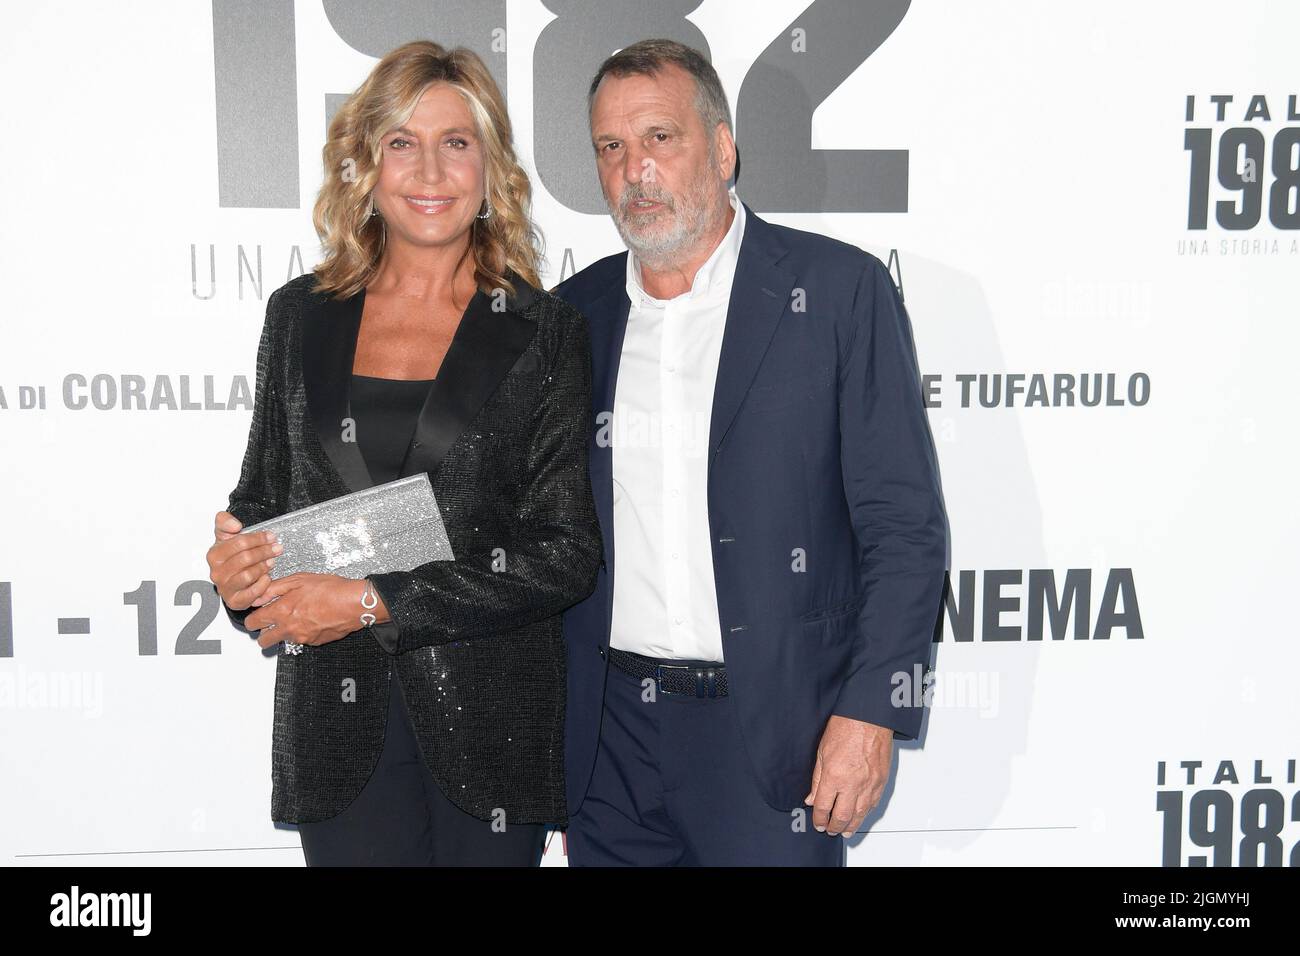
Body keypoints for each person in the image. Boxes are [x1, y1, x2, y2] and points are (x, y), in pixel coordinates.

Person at [204, 41, 601, 866]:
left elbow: (563, 556)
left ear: (490, 171)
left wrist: (369, 600)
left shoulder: (542, 332)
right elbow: (264, 495)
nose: (430, 169)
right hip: (337, 732)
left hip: (491, 731)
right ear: (366, 167)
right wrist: (241, 567)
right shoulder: (298, 317)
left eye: (457, 142)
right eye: (402, 143)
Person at [554, 39, 948, 866]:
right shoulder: (572, 316)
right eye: (611, 148)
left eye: (661, 138)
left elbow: (904, 528)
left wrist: (871, 713)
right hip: (608, 745)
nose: (636, 171)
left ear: (724, 148)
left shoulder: (837, 293)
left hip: (773, 740)